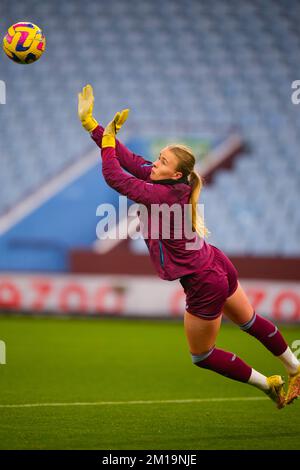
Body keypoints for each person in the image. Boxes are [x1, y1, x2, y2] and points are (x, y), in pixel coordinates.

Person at [78, 84, 300, 409]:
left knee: (202, 355)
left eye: (162, 160)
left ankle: (267, 383)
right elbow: (127, 160)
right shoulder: (169, 183)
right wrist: (93, 127)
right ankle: (295, 369)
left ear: (177, 172)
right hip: (215, 262)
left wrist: (108, 142)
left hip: (203, 281)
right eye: (157, 157)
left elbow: (114, 176)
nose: (154, 163)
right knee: (250, 321)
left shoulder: (161, 193)